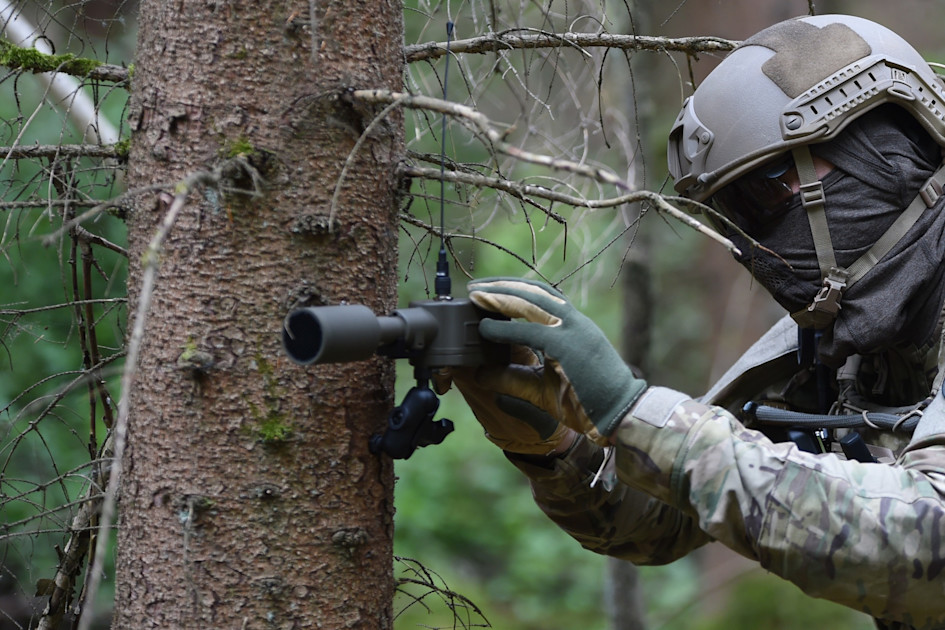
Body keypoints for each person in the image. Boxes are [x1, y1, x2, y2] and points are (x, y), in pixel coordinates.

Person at [436, 14, 945, 630]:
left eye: (765, 193)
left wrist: (636, 411)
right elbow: (658, 520)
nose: (756, 247)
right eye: (733, 215)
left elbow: (927, 545)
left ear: (884, 153)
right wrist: (549, 437)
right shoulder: (849, 333)